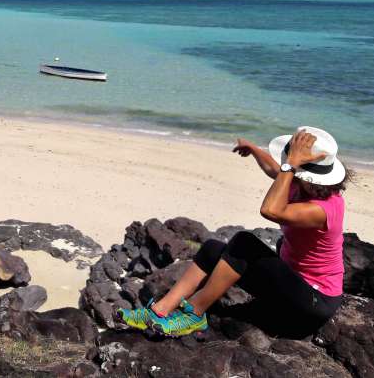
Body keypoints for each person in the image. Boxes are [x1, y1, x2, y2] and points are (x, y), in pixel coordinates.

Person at [118, 126, 349, 337]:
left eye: (291, 164)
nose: (286, 167)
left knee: (244, 243)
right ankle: (159, 311)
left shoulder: (324, 208)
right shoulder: (301, 184)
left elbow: (270, 209)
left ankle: (194, 314)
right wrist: (254, 150)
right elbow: (275, 170)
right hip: (290, 287)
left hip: (314, 302)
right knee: (212, 249)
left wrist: (291, 165)